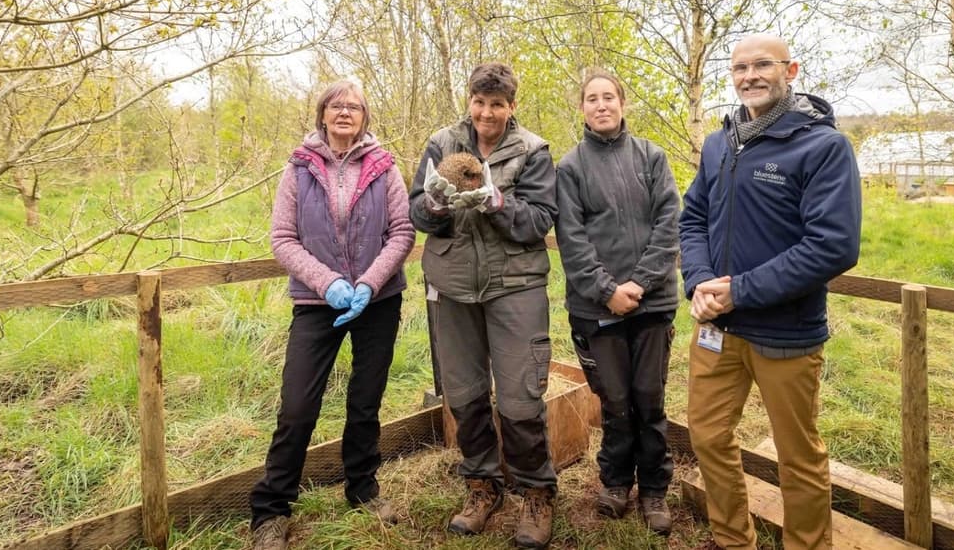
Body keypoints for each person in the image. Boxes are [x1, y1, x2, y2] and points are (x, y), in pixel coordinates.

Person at [679, 34, 862, 550]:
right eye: (740, 68)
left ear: (792, 70)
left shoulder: (822, 146)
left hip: (786, 332)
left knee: (797, 456)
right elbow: (693, 218)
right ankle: (733, 539)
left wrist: (741, 290)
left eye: (763, 65)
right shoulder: (719, 143)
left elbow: (833, 246)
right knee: (709, 437)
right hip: (717, 327)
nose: (750, 76)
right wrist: (698, 282)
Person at [250, 80, 415, 550]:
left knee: (365, 402)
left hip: (377, 302)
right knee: (298, 407)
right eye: (336, 106)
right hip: (315, 303)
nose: (345, 112)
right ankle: (271, 511)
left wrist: (367, 284)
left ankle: (362, 490)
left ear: (365, 117)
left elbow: (401, 233)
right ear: (322, 114)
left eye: (354, 106)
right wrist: (330, 284)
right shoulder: (299, 169)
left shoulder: (384, 167)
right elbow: (282, 238)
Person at [408, 62, 558, 549]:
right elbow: (416, 212)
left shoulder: (533, 151)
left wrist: (496, 202)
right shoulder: (441, 144)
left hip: (515, 286)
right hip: (452, 287)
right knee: (466, 393)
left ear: (512, 106)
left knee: (519, 395)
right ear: (469, 100)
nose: (486, 112)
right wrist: (434, 204)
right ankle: (482, 486)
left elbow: (538, 220)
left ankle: (536, 493)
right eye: (479, 102)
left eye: (497, 104)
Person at [554, 70, 680, 535]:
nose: (601, 105)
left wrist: (640, 285)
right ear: (582, 108)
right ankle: (614, 482)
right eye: (592, 99)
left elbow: (669, 223)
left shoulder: (651, 156)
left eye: (609, 96)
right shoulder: (570, 168)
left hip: (652, 303)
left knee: (649, 398)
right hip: (596, 308)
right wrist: (608, 290)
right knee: (616, 400)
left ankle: (653, 489)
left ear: (622, 103)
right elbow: (572, 238)